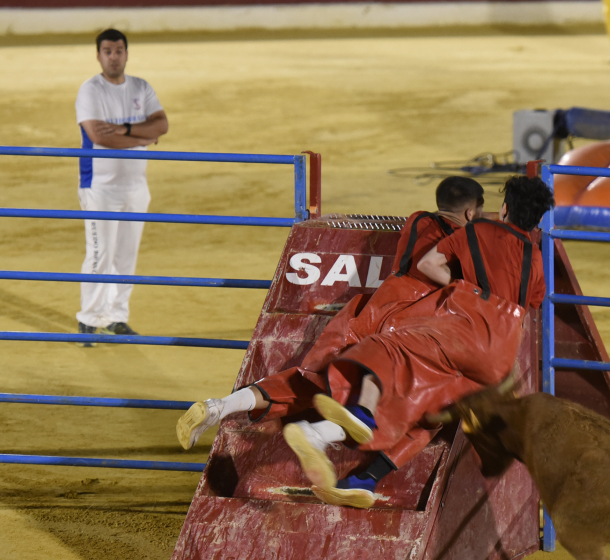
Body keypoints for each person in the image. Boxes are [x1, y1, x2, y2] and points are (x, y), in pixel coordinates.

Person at [288, 176, 553, 508]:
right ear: (538, 219)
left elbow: (428, 263)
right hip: (500, 359)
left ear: (504, 208)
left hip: (467, 333)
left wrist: (459, 287)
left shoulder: (477, 231)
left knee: (386, 347)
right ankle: (365, 479)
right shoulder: (536, 258)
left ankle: (362, 414)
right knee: (432, 412)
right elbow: (528, 310)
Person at [175, 176, 487, 450]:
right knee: (395, 402)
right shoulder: (468, 240)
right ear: (471, 212)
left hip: (369, 310)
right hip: (406, 323)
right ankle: (325, 441)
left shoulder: (417, 220)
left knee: (310, 380)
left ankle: (219, 406)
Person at [75, 28, 169, 346]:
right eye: (107, 51)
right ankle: (89, 319)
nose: (113, 56)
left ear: (126, 54)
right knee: (101, 255)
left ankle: (116, 317)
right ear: (98, 55)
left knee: (126, 255)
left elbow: (163, 124)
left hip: (135, 186)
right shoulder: (90, 90)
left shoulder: (141, 87)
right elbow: (100, 137)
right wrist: (143, 137)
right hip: (99, 186)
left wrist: (126, 128)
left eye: (118, 50)